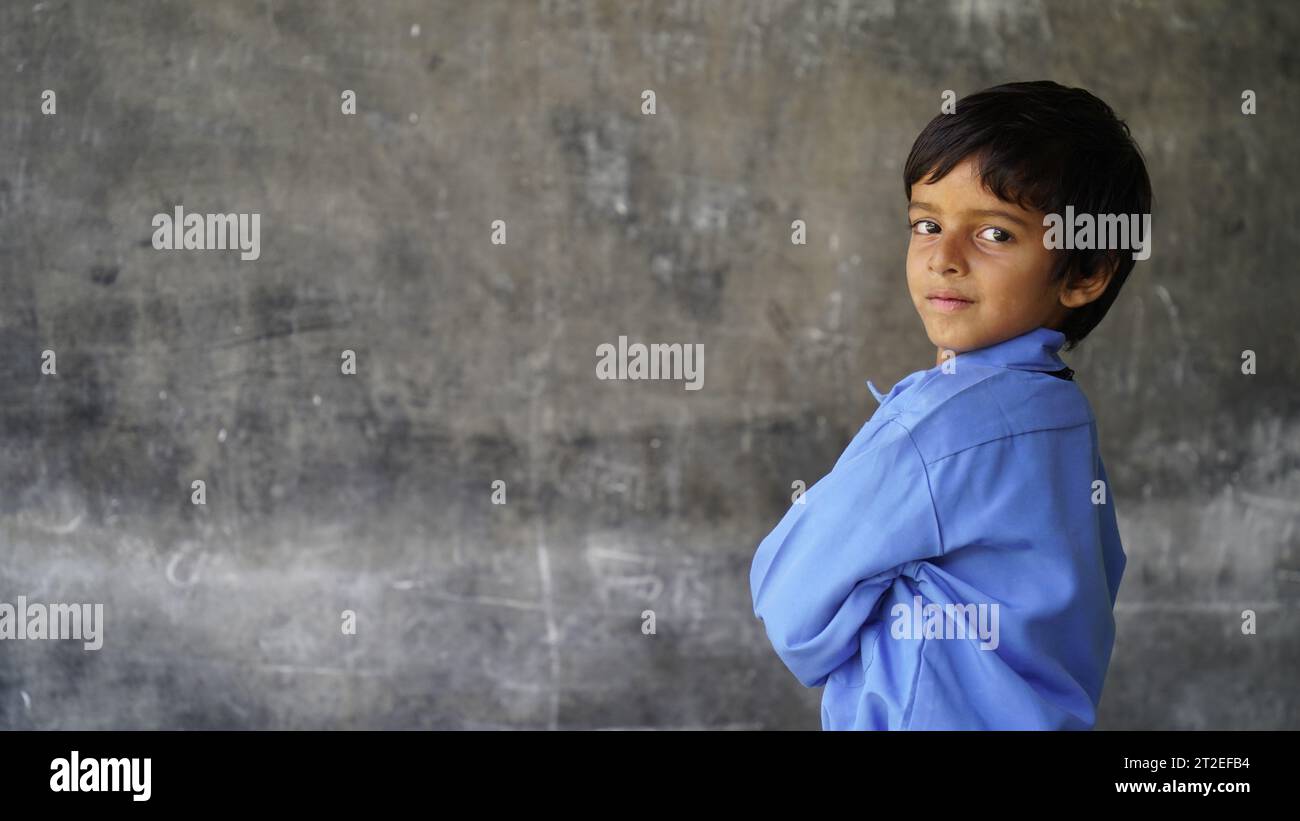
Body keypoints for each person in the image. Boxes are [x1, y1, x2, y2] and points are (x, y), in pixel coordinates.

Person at [750, 81, 1152, 729]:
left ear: (1085, 272)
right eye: (927, 224)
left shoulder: (941, 424)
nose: (944, 257)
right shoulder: (1064, 420)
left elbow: (793, 609)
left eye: (995, 232)